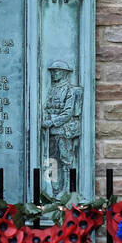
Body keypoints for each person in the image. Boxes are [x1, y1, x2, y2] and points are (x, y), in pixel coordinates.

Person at [41, 60, 82, 191]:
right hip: (51, 132)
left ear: (64, 74)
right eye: (53, 71)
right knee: (52, 161)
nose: (54, 74)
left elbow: (68, 113)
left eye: (57, 71)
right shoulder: (52, 89)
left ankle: (68, 189)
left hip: (63, 131)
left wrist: (52, 122)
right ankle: (54, 190)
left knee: (66, 160)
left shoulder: (69, 90)